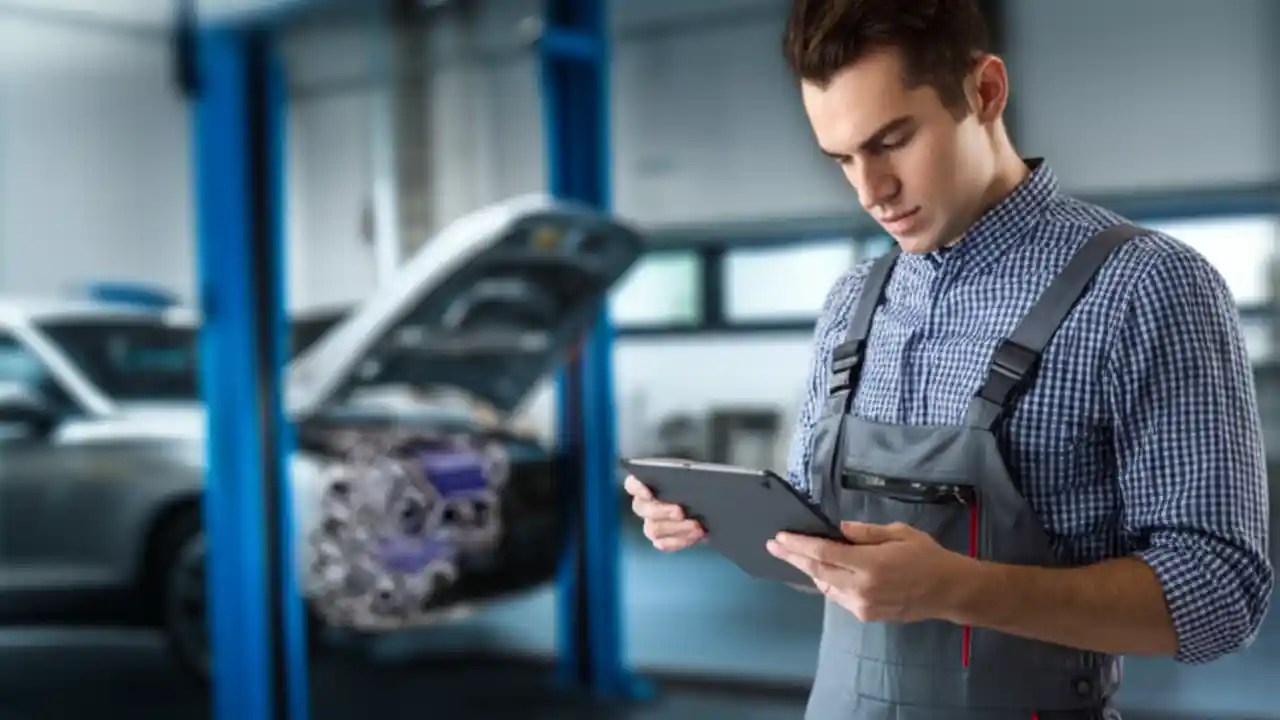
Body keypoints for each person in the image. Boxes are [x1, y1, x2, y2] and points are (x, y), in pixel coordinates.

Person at [622, 0, 1275, 718]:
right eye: (842, 159)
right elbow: (833, 556)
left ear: (985, 92)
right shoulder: (852, 301)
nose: (871, 192)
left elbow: (1219, 595)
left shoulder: (1145, 288)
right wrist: (722, 521)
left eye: (893, 141)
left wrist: (950, 587)